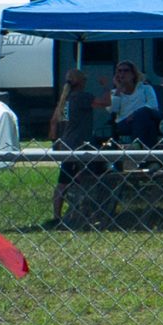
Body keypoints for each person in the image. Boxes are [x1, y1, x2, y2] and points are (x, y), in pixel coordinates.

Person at [48, 65, 98, 224]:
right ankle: (84, 211)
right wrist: (106, 86)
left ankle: (57, 214)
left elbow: (54, 122)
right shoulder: (83, 97)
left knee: (64, 180)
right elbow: (104, 103)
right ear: (81, 82)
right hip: (79, 144)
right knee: (81, 178)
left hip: (66, 143)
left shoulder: (65, 99)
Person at [99, 59, 161, 145]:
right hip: (124, 122)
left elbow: (153, 105)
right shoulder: (114, 93)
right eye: (119, 71)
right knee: (149, 124)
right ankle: (147, 151)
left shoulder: (146, 88)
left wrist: (135, 114)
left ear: (133, 74)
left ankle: (138, 147)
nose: (122, 73)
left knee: (145, 119)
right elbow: (112, 110)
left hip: (143, 118)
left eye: (126, 70)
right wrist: (118, 89)